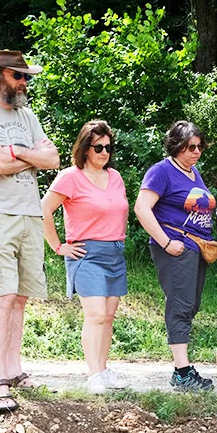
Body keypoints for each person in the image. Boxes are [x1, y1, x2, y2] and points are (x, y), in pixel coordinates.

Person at [0, 49, 59, 413]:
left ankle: (15, 370)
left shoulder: (26, 114)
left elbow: (52, 159)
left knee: (20, 296)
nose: (25, 83)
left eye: (26, 77)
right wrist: (25, 154)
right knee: (3, 295)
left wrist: (14, 152)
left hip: (29, 213)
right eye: (19, 77)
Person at [42, 120, 129, 394]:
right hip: (87, 253)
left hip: (115, 252)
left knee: (109, 316)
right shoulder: (71, 176)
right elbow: (43, 210)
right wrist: (58, 246)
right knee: (95, 314)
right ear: (85, 148)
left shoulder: (115, 177)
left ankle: (103, 369)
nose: (105, 152)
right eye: (99, 147)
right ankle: (93, 375)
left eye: (109, 147)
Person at [133, 121, 217, 393]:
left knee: (191, 304)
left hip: (196, 248)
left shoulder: (193, 173)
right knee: (180, 304)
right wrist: (166, 242)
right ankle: (182, 372)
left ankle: (182, 369)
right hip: (176, 247)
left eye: (200, 146)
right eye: (190, 146)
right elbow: (142, 208)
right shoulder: (161, 171)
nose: (196, 151)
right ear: (175, 145)